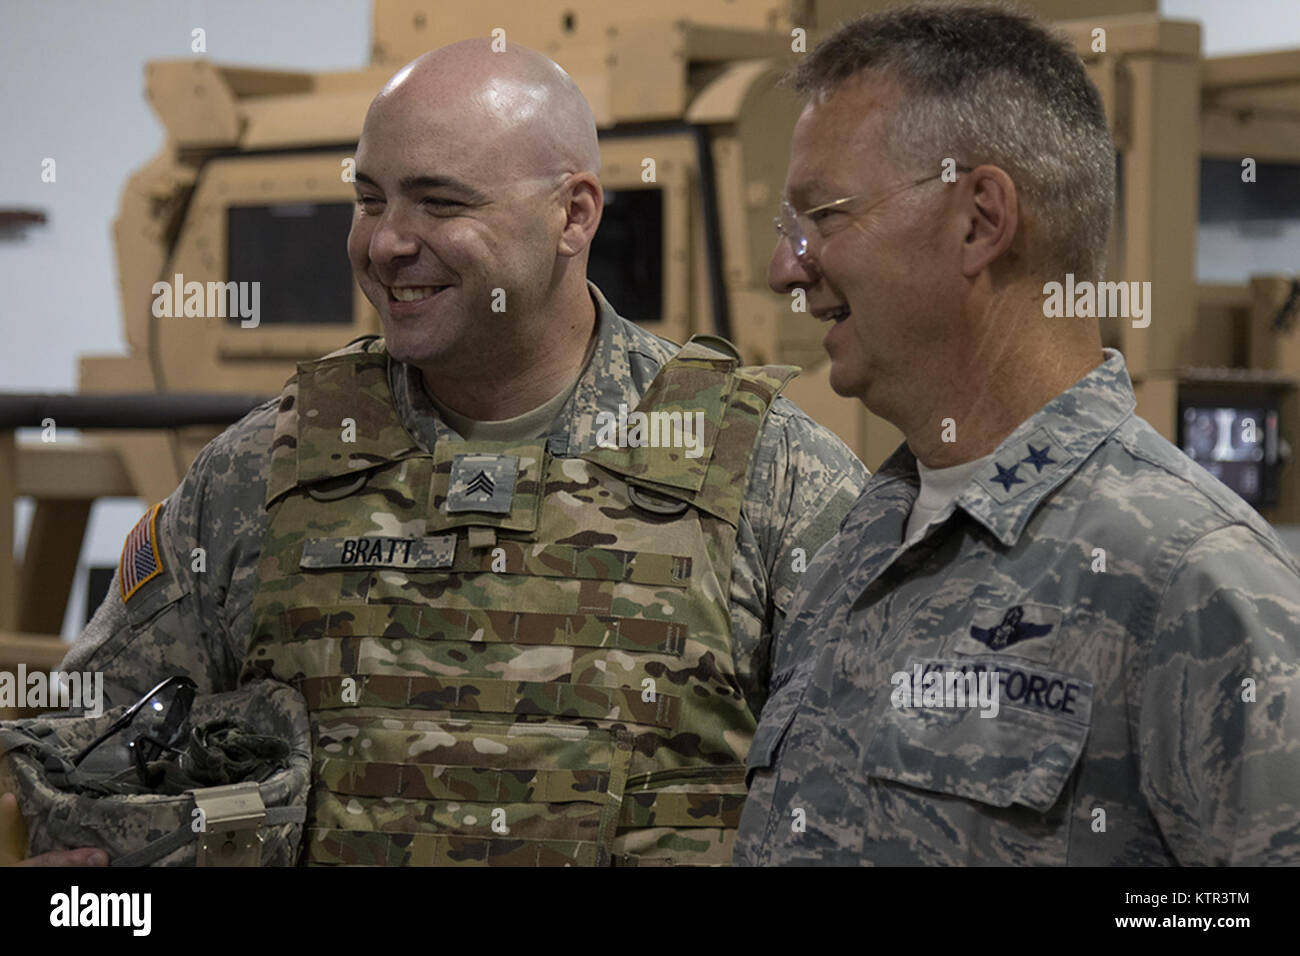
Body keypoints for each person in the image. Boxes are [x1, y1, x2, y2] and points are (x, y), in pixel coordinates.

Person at [2, 39, 867, 867]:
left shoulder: (765, 474)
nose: (386, 243)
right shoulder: (261, 471)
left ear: (574, 214)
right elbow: (92, 741)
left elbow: (881, 799)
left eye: (440, 203)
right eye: (371, 199)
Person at [736, 3, 1300, 866]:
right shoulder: (859, 546)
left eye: (824, 216)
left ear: (980, 219)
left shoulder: (1195, 583)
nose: (786, 267)